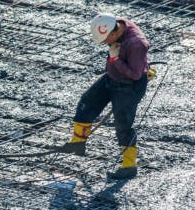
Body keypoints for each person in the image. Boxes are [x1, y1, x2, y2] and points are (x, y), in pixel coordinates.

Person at [58, 13, 150, 179]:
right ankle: (78, 142)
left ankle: (129, 166)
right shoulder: (119, 24)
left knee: (123, 124)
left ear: (113, 34)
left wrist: (116, 59)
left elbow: (135, 75)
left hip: (129, 86)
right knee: (87, 102)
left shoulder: (136, 43)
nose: (104, 44)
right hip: (112, 77)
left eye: (105, 40)